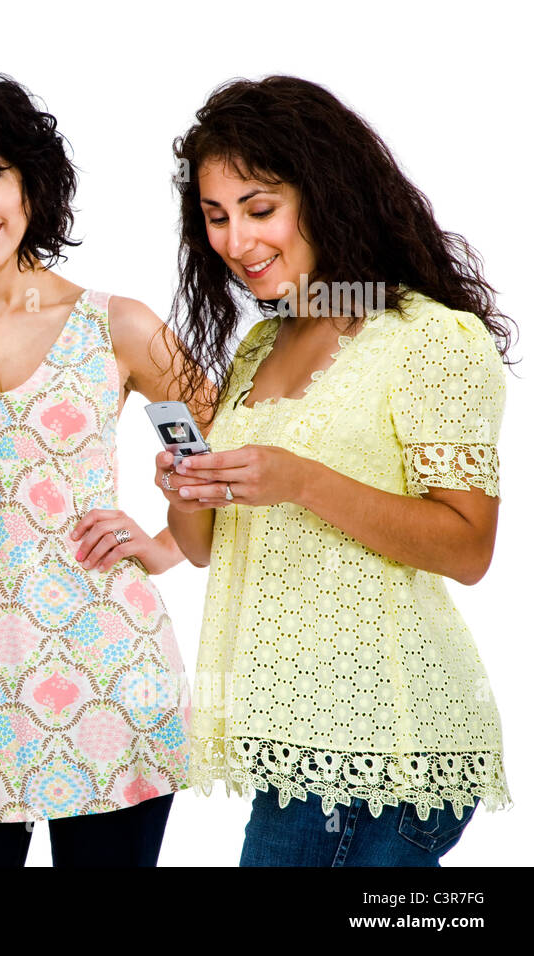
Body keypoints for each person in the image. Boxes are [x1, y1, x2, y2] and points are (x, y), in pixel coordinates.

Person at [158, 76, 515, 866]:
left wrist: (304, 481)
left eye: (259, 208)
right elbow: (205, 547)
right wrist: (187, 489)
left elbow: (468, 547)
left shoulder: (430, 339)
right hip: (295, 747)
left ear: (328, 194)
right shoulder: (261, 348)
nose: (234, 240)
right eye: (215, 216)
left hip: (384, 751)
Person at [0, 70, 204, 866]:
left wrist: (164, 543)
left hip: (106, 679)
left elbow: (215, 447)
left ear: (31, 180)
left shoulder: (115, 324)